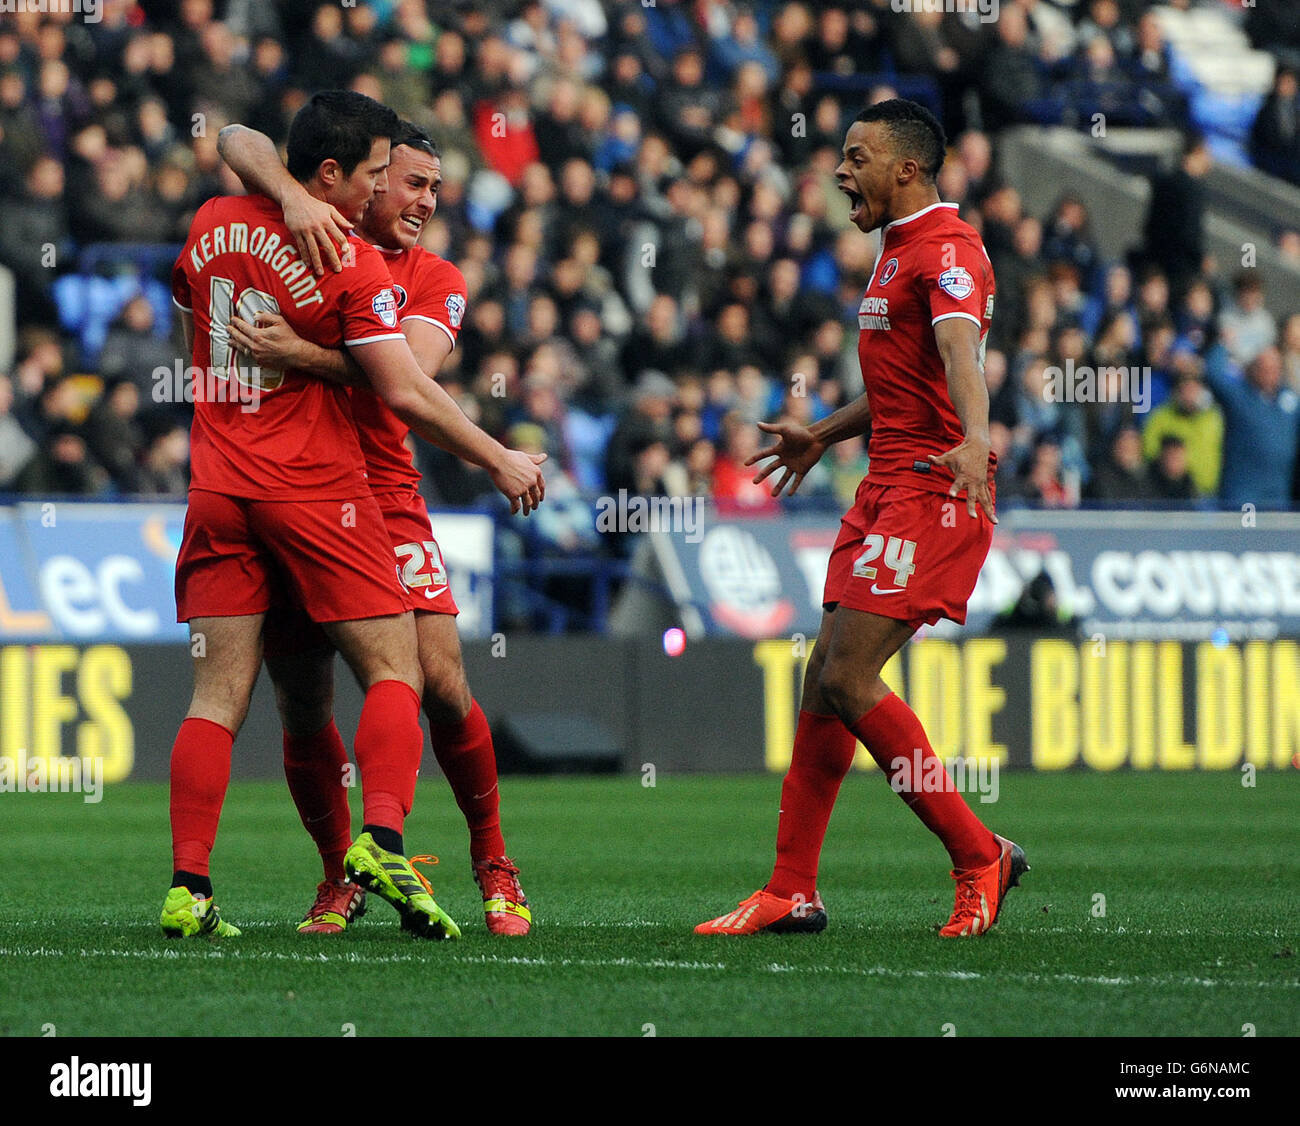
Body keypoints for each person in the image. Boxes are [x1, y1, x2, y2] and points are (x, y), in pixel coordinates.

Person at [162, 91, 546, 941]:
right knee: (303, 705)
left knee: (441, 686)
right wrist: (293, 196)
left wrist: (297, 351)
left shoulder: (432, 279)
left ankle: (491, 859)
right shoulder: (311, 229)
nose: (420, 201)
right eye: (404, 181)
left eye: (434, 189)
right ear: (361, 184)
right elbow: (238, 136)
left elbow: (402, 378)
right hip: (306, 495)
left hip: (378, 497)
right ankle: (346, 873)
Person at [696, 100, 1027, 940]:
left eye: (856, 156)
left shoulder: (947, 253)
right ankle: (791, 889)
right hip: (886, 485)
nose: (841, 170)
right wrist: (823, 433)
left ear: (906, 168)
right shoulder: (896, 253)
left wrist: (977, 439)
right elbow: (899, 388)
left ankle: (977, 852)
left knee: (847, 678)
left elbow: (961, 356)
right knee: (823, 679)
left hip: (935, 488)